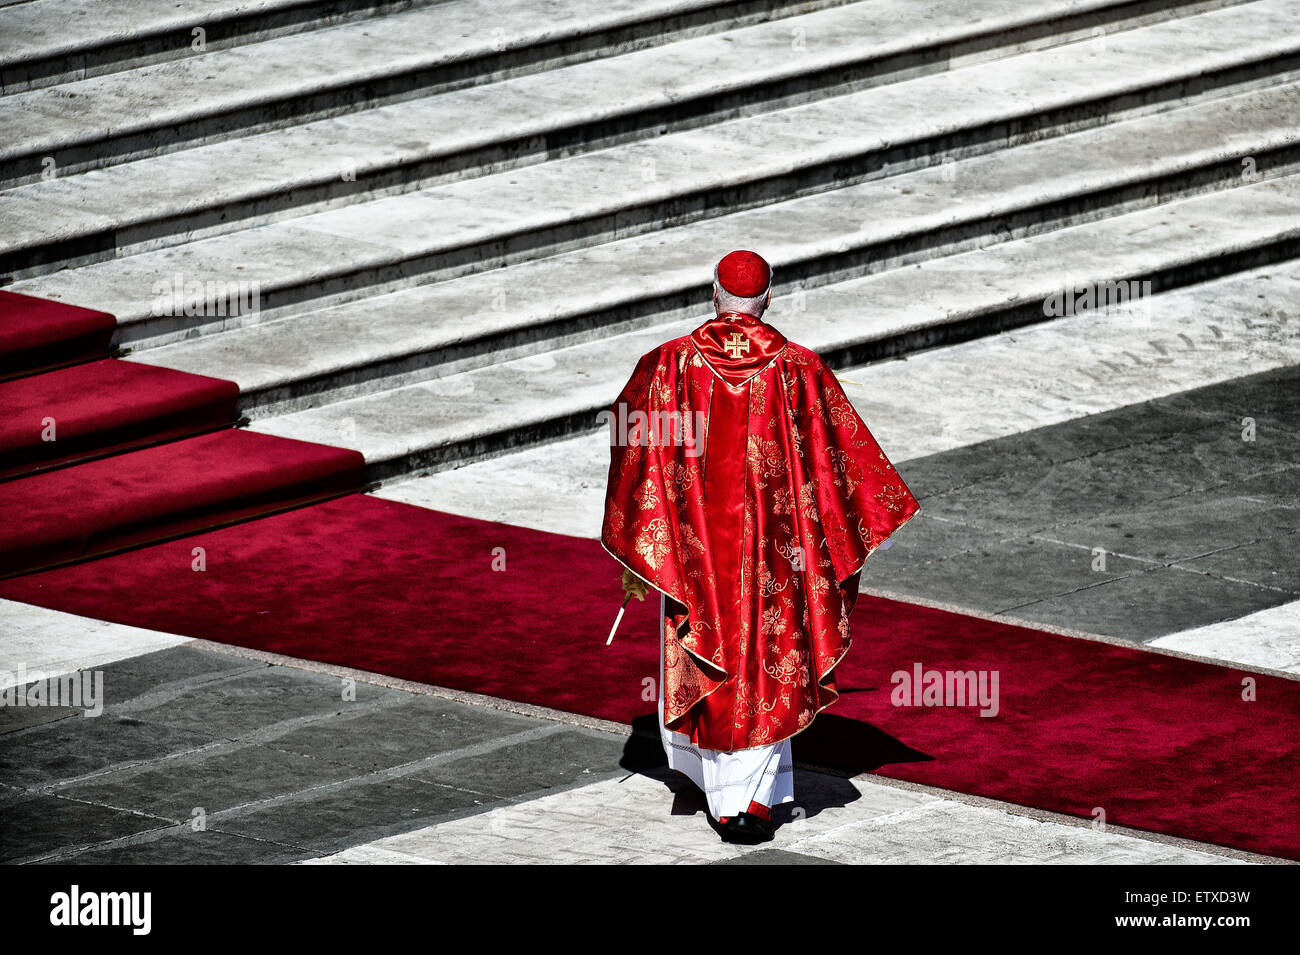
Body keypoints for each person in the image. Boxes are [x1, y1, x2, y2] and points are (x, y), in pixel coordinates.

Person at [602, 249, 921, 844]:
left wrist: (642, 540)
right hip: (779, 552)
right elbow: (842, 468)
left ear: (712, 293)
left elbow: (630, 445)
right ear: (768, 297)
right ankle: (746, 800)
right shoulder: (799, 371)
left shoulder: (669, 366)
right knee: (765, 664)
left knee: (711, 653)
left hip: (695, 553)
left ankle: (731, 799)